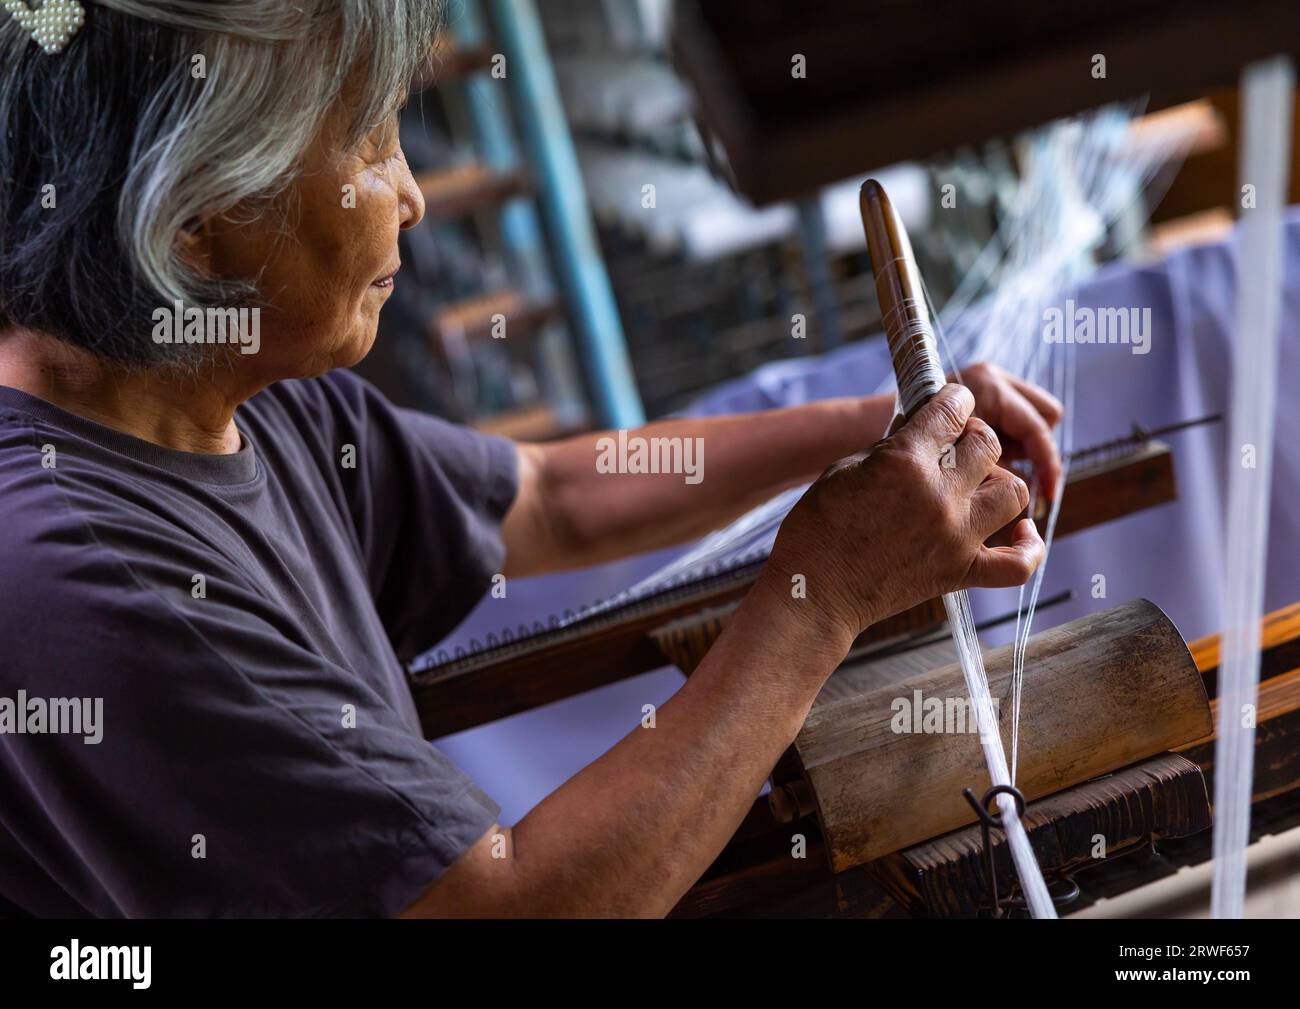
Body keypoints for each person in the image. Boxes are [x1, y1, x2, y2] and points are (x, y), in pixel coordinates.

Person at [0, 0, 1059, 917]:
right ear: (194, 225)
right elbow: (503, 908)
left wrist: (875, 428)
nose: (410, 194)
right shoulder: (99, 582)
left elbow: (550, 498)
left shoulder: (213, 395)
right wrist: (822, 591)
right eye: (369, 147)